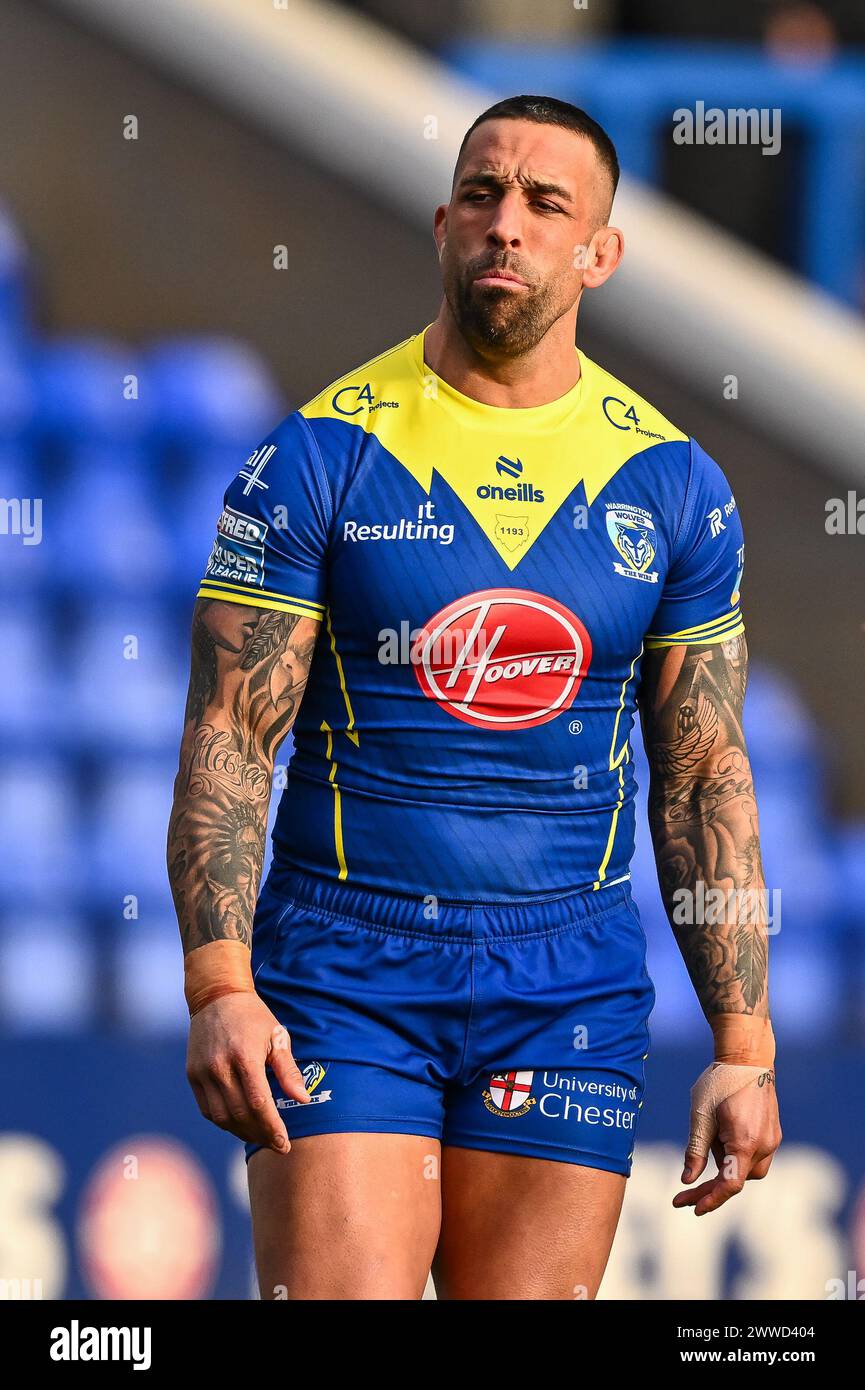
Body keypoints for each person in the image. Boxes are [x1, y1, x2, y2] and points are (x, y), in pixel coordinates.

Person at [167, 95, 780, 1301]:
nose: (508, 223)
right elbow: (233, 734)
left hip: (567, 985)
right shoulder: (317, 454)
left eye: (546, 203)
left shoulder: (673, 487)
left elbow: (705, 770)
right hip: (344, 971)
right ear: (444, 221)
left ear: (599, 252)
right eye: (483, 194)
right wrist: (220, 987)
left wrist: (743, 1045)